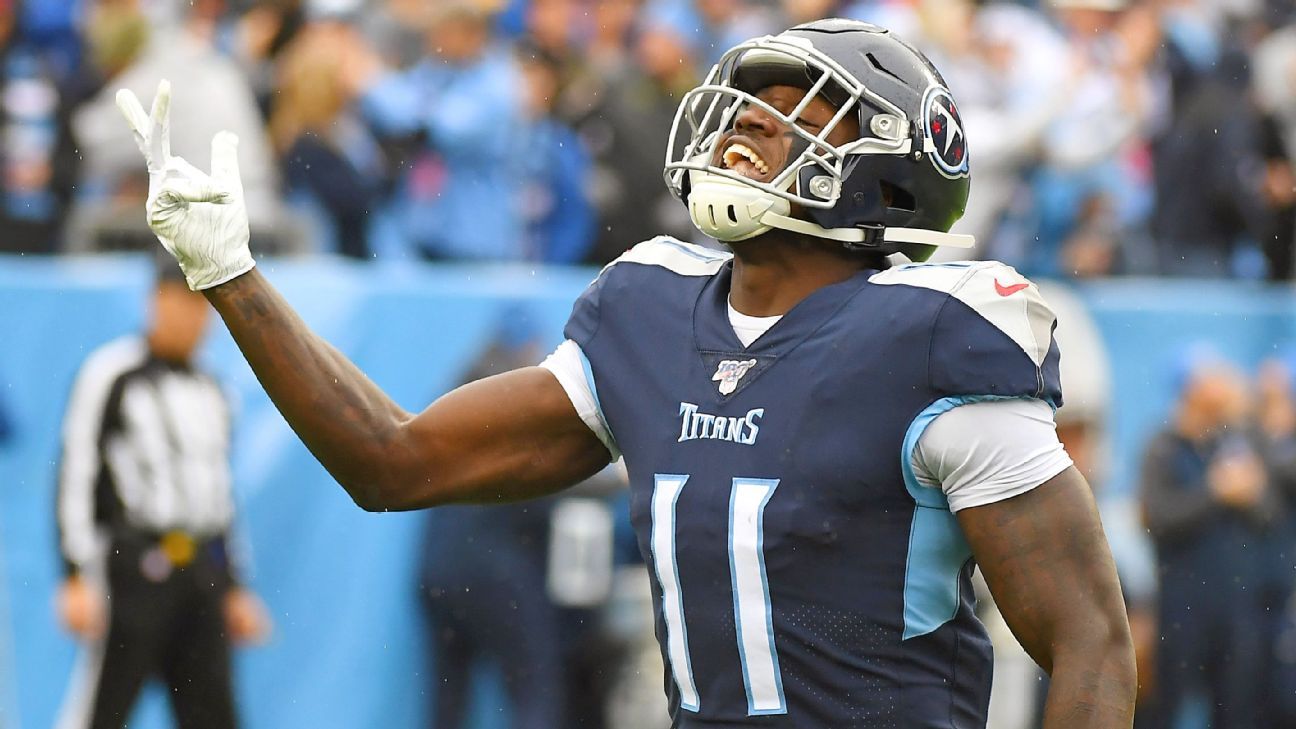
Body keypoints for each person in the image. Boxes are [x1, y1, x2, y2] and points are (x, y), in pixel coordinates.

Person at [119, 18, 1135, 727]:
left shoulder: (933, 338)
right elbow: (393, 462)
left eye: (795, 110)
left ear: (887, 164)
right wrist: (231, 275)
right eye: (747, 102)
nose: (748, 123)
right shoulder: (648, 311)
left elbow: (1091, 636)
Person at [53, 261, 269, 729]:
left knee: (214, 713)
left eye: (202, 305)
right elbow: (76, 472)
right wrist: (73, 573)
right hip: (131, 565)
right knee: (101, 710)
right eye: (181, 301)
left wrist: (233, 586)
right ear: (155, 300)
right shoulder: (112, 373)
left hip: (199, 572)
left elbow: (218, 497)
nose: (191, 317)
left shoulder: (214, 388)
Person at [1138, 346, 1278, 729]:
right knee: (1164, 710)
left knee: (1236, 712)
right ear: (1191, 389)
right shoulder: (1162, 447)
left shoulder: (1231, 443)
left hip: (1234, 611)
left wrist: (1249, 492)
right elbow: (1159, 520)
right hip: (1181, 610)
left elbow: (1269, 515)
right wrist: (1214, 492)